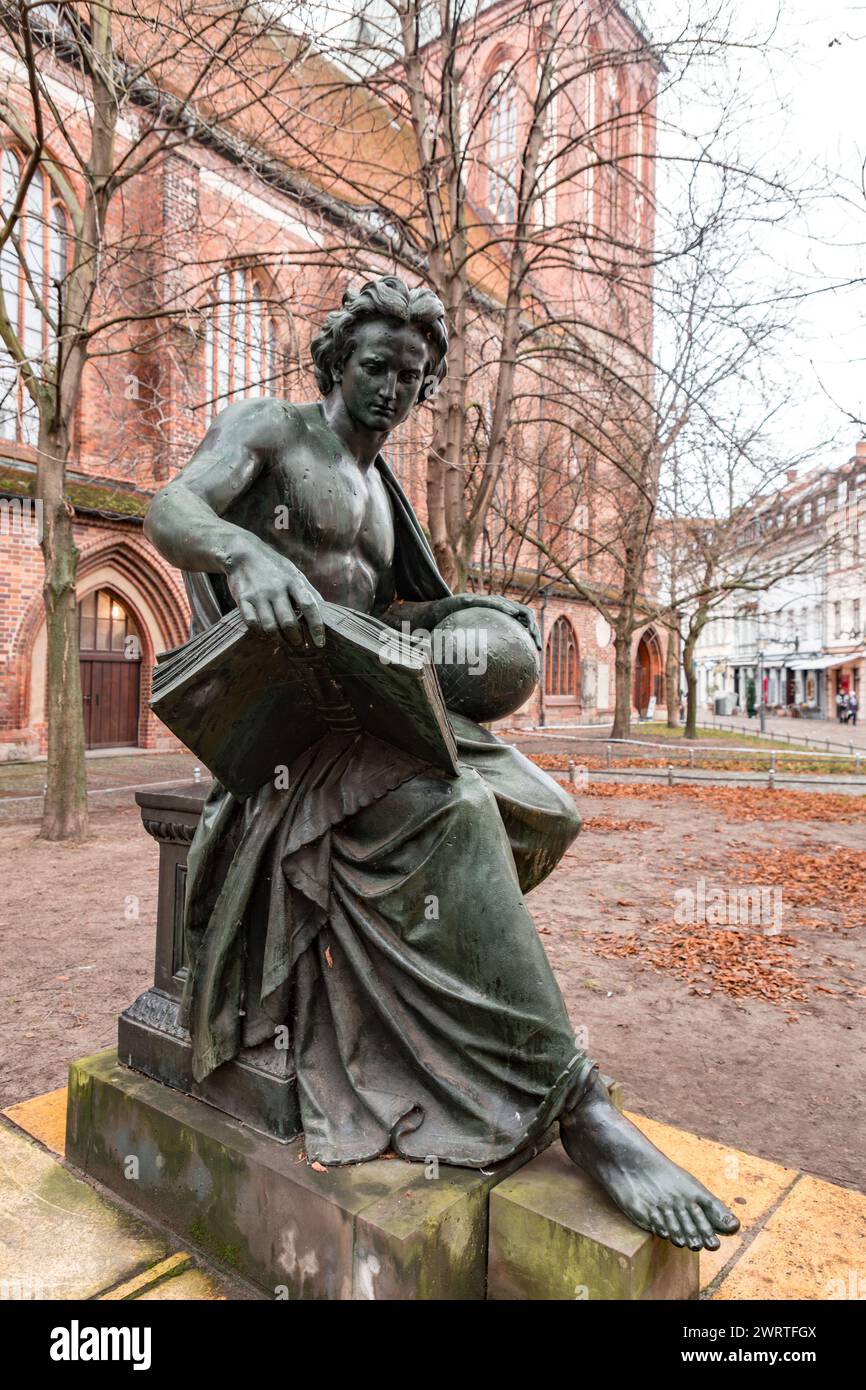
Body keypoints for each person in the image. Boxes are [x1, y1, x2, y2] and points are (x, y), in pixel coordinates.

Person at [144, 275, 739, 1254]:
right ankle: (575, 1108)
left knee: (538, 806)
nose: (390, 390)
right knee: (455, 812)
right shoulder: (272, 430)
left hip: (368, 705)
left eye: (410, 377)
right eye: (376, 366)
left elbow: (392, 609)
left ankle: (415, 1024)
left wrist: (469, 634)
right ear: (337, 361)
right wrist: (240, 556)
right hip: (293, 731)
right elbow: (171, 509)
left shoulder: (383, 493)